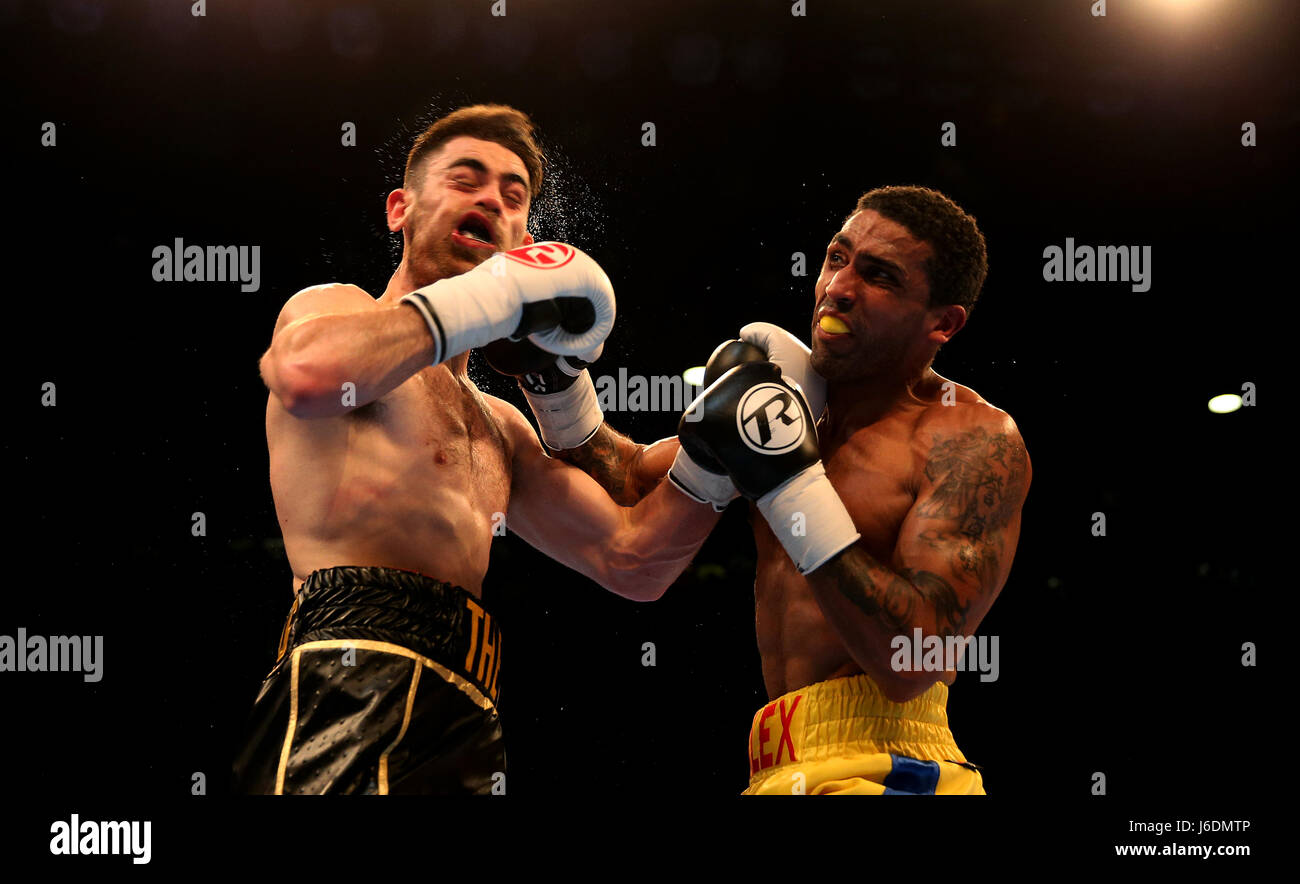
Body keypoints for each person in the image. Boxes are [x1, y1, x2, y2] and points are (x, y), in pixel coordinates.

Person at [232, 104, 720, 795]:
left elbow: (631, 557)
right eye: (468, 181)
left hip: (468, 711)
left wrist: (728, 449)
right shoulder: (336, 309)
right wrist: (493, 295)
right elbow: (308, 376)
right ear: (400, 209)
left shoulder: (499, 425)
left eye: (514, 196)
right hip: (349, 677)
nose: (492, 198)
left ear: (527, 240)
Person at [582, 185, 1032, 794]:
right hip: (777, 758)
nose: (837, 287)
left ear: (943, 323)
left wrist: (788, 483)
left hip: (891, 764)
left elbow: (913, 661)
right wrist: (554, 381)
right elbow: (632, 488)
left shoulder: (969, 436)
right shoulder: (789, 411)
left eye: (879, 277)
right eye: (836, 257)